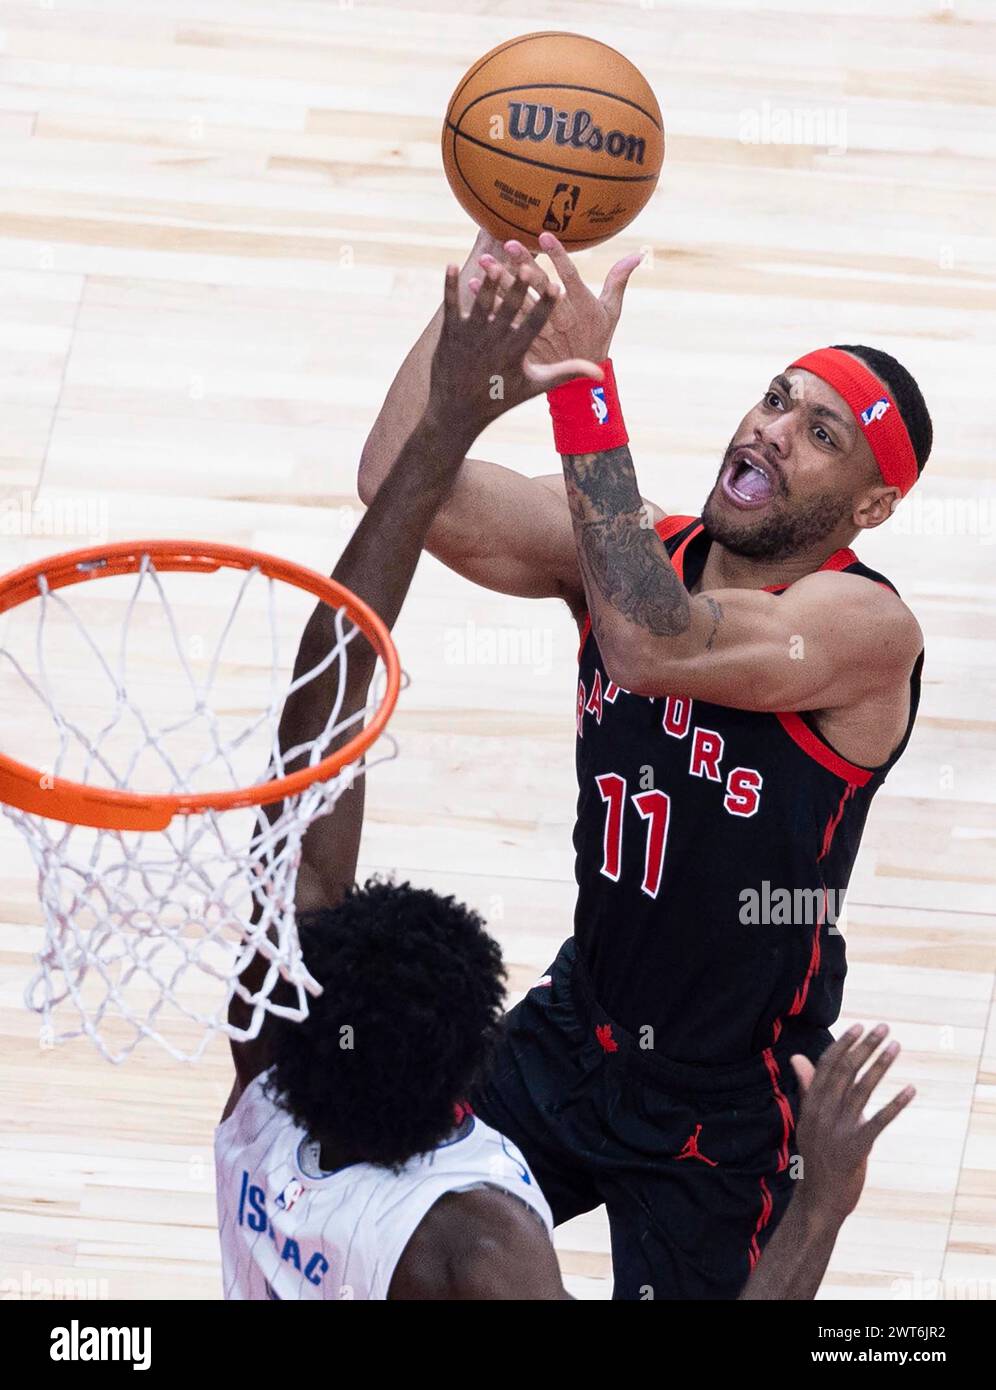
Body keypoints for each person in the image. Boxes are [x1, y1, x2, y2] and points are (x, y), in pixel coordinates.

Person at [357, 233, 928, 1299]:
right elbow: (399, 487)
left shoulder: (865, 628)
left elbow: (649, 644)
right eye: (776, 399)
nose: (773, 429)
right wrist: (478, 295)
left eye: (821, 433)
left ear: (870, 506)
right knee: (376, 1217)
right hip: (580, 1028)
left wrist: (586, 384)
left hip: (728, 1098)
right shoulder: (628, 548)